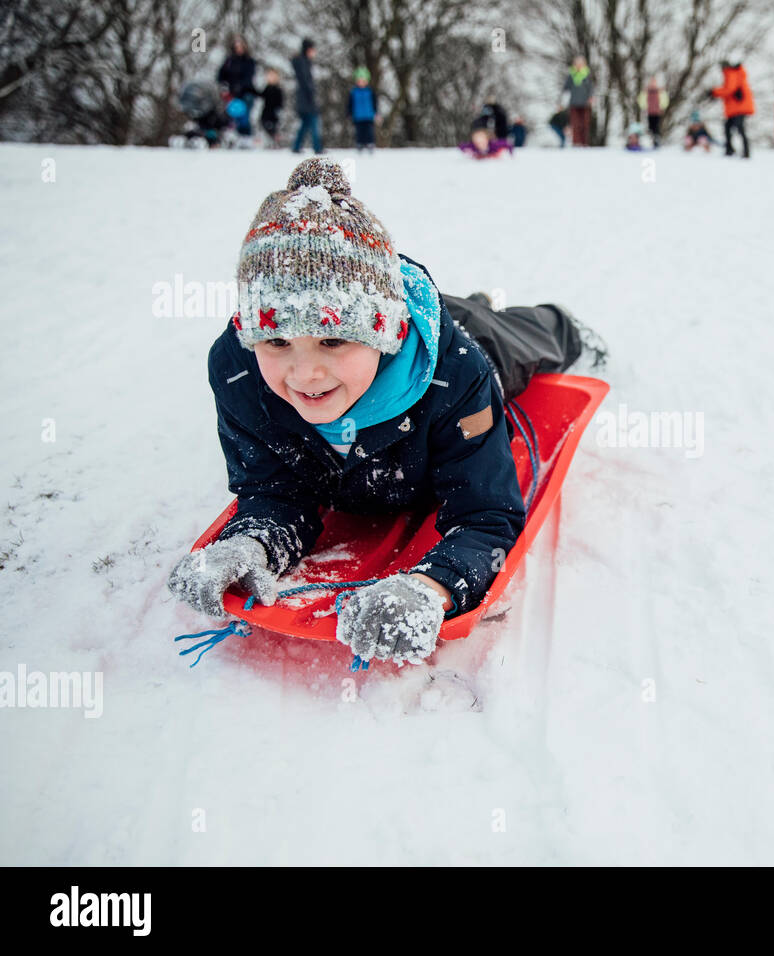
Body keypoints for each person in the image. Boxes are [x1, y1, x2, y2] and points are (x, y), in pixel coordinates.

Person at [167, 159, 599, 665]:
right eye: (278, 340)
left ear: (384, 334)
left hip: (468, 341)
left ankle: (557, 321)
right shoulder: (240, 373)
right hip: (394, 320)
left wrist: (430, 587)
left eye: (332, 339)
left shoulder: (460, 373)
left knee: (524, 335)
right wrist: (251, 545)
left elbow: (487, 515)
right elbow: (274, 489)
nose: (305, 373)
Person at [708, 55, 754, 158]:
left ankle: (745, 151)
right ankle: (730, 149)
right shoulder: (733, 73)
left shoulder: (731, 73)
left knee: (739, 128)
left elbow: (729, 89)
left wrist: (714, 92)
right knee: (728, 127)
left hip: (739, 108)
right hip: (735, 108)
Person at [217, 35, 257, 142]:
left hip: (246, 93)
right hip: (232, 94)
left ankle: (246, 136)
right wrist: (224, 86)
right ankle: (234, 136)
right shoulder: (229, 61)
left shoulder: (249, 61)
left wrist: (240, 86)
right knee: (232, 116)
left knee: (244, 115)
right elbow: (221, 76)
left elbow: (249, 77)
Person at [291, 39, 323, 154]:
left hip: (303, 98)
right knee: (314, 122)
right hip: (306, 99)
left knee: (305, 124)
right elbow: (305, 82)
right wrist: (311, 95)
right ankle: (317, 147)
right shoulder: (303, 63)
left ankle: (296, 146)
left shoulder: (303, 62)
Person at [561, 56, 594, 147]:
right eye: (577, 64)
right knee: (575, 123)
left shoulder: (587, 75)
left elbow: (591, 88)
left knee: (585, 124)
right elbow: (565, 88)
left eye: (581, 64)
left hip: (585, 103)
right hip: (574, 103)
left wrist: (591, 97)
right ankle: (576, 142)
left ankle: (584, 142)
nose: (579, 66)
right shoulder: (571, 75)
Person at [350, 66, 377, 152]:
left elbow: (374, 103)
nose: (361, 83)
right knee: (359, 131)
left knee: (369, 131)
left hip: (369, 115)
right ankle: (360, 144)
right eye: (359, 81)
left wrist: (376, 113)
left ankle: (370, 143)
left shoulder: (370, 91)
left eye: (363, 81)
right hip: (358, 116)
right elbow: (350, 104)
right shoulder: (354, 92)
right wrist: (349, 113)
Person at [638, 76, 669, 148]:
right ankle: (652, 140)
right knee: (650, 127)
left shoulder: (660, 92)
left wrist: (662, 107)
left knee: (656, 126)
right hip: (649, 112)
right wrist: (644, 107)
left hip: (657, 112)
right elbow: (641, 100)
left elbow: (664, 100)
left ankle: (657, 140)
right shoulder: (646, 92)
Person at [259, 69, 284, 146]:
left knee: (273, 127)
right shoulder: (267, 88)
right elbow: (261, 95)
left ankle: (275, 141)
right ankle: (271, 141)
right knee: (264, 124)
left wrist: (279, 110)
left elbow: (280, 101)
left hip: (274, 111)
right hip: (266, 111)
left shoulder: (278, 89)